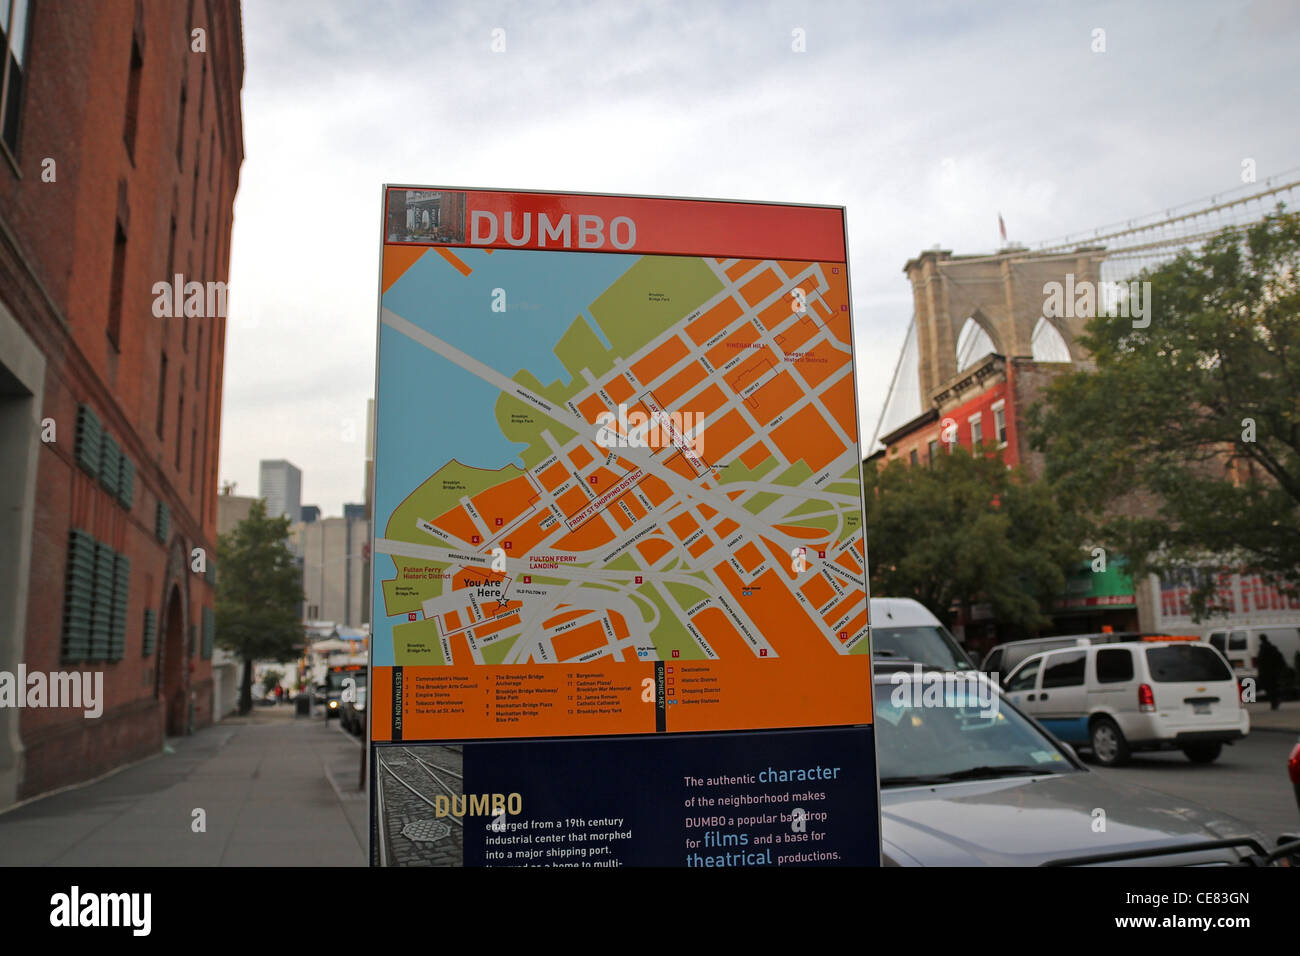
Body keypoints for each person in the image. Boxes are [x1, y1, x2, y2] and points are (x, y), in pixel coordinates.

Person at [1257, 634, 1286, 711]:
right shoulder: (1272, 648)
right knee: (1273, 687)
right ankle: (1275, 701)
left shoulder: (1263, 649)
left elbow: (1261, 662)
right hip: (1273, 671)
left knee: (1269, 687)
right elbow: (1280, 659)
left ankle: (1274, 702)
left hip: (1267, 672)